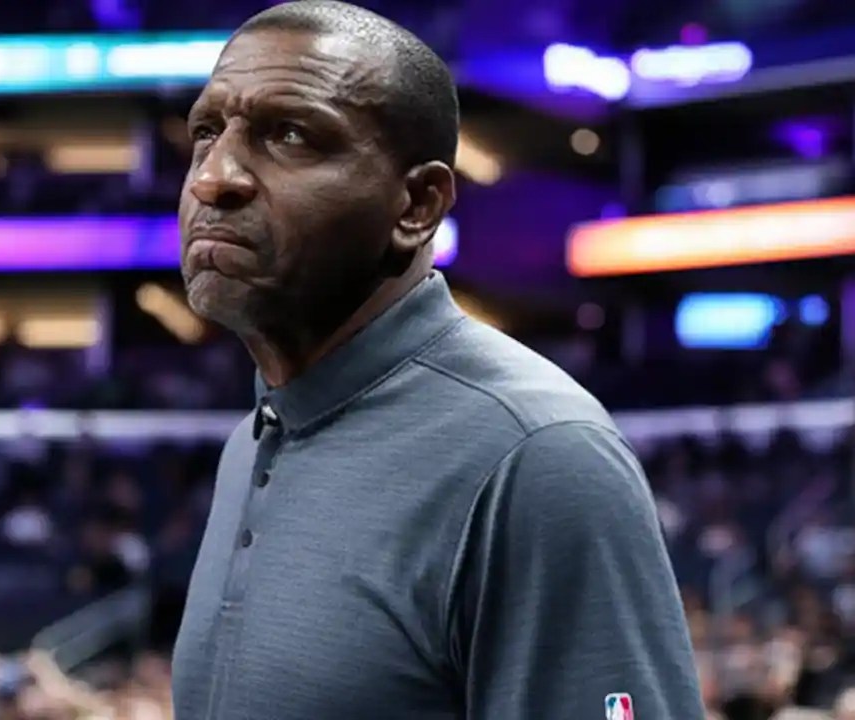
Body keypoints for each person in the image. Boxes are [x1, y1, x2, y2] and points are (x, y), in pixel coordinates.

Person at [170, 2, 704, 719]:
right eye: (207, 132)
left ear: (416, 205)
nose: (215, 177)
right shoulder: (253, 440)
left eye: (290, 135)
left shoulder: (537, 455)